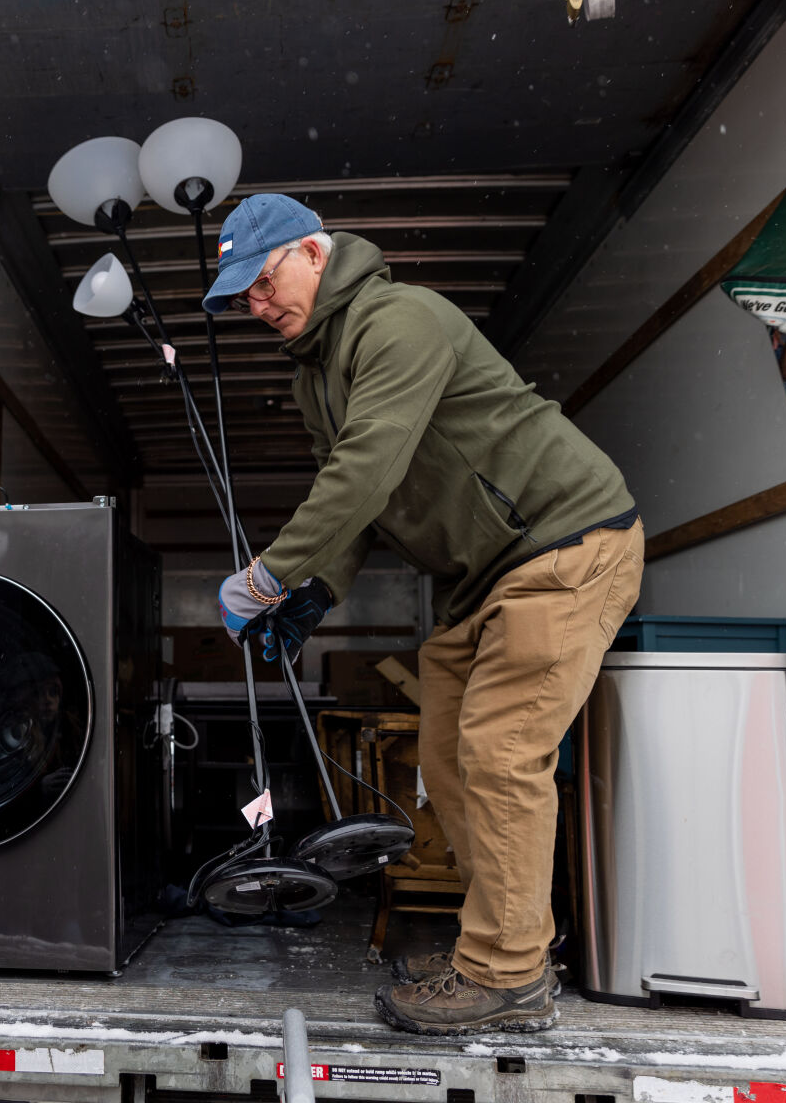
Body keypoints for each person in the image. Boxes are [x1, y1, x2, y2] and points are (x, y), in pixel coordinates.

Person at [207, 194, 643, 1036]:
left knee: (499, 755)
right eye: (244, 299)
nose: (258, 307)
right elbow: (359, 505)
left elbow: (367, 466)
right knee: (444, 767)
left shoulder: (399, 319)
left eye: (263, 282)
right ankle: (495, 949)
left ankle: (507, 975)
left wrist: (265, 575)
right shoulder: (314, 376)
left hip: (563, 545)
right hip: (478, 579)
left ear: (312, 251)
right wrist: (314, 593)